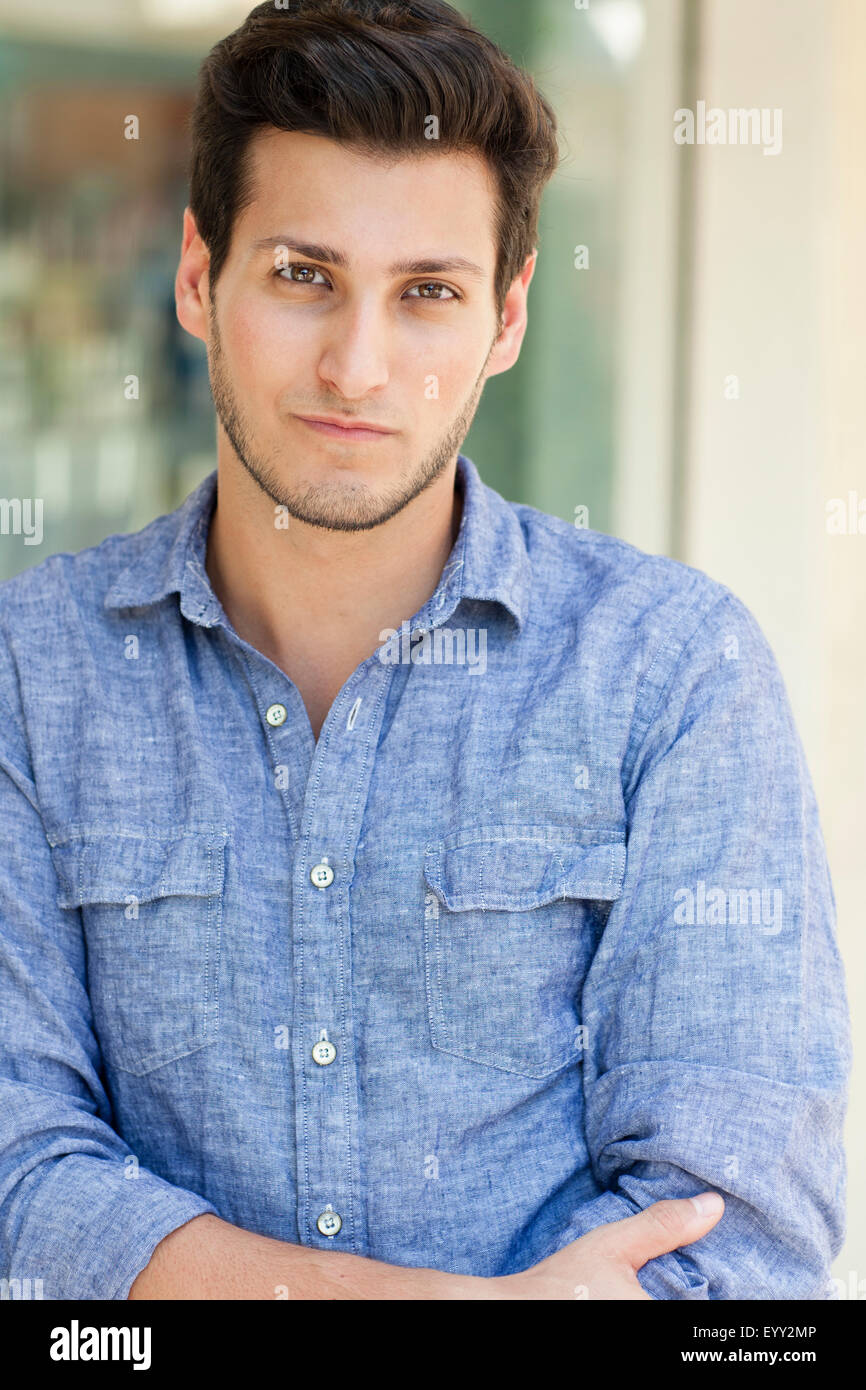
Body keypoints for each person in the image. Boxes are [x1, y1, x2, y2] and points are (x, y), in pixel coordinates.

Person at [0, 0, 849, 1301]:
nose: (357, 363)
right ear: (193, 276)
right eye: (302, 275)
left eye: (427, 294)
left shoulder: (672, 671)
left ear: (506, 320)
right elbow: (18, 1179)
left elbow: (743, 1241)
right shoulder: (31, 670)